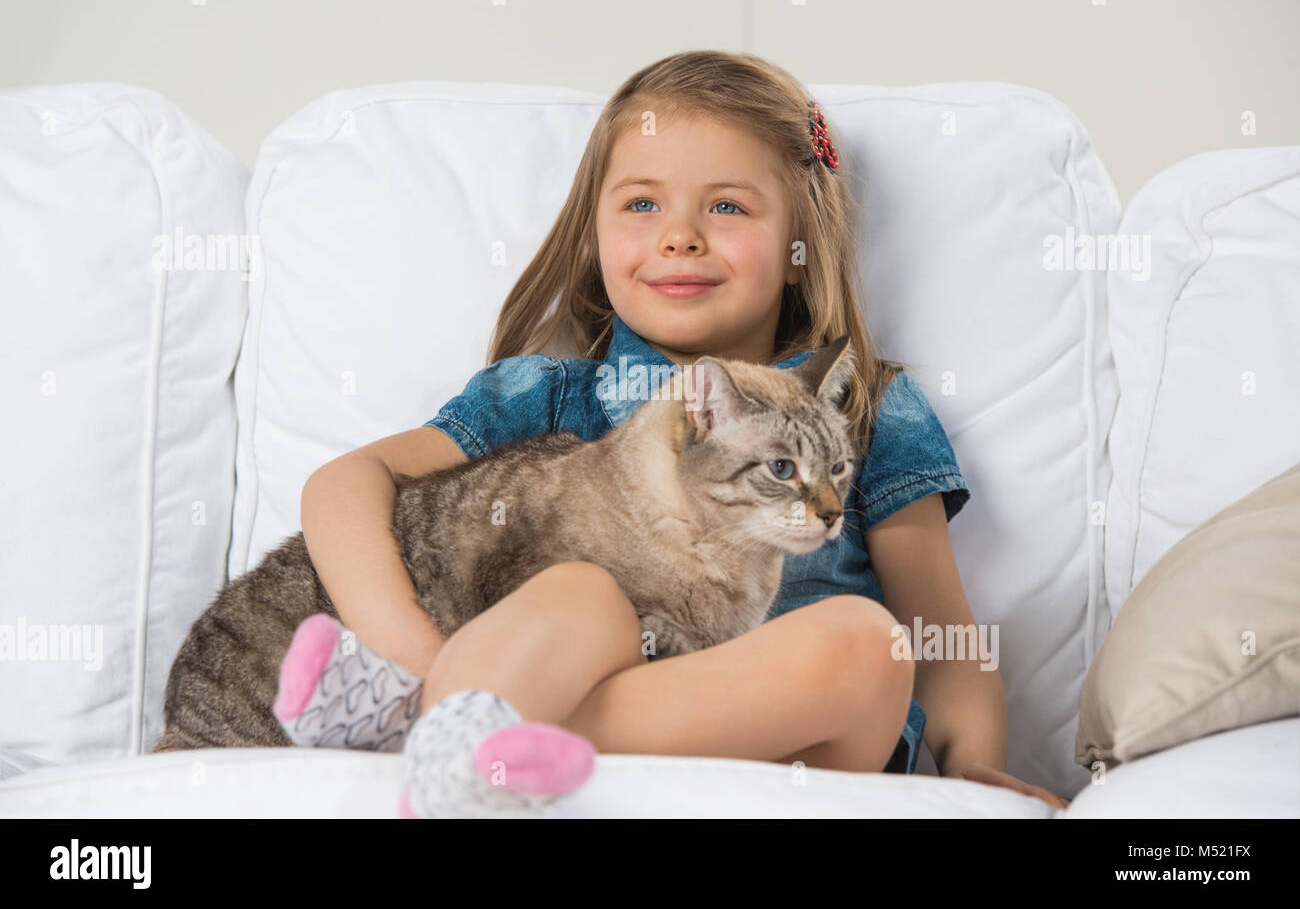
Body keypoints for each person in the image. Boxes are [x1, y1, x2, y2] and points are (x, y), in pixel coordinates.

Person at [273, 49, 1069, 817]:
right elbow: (345, 485)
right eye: (642, 204)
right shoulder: (550, 394)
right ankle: (453, 726)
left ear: (799, 246)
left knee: (868, 644)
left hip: (795, 762)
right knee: (583, 590)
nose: (680, 235)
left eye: (726, 205)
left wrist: (971, 769)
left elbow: (941, 630)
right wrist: (415, 651)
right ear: (595, 234)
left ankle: (437, 725)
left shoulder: (862, 405)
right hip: (564, 739)